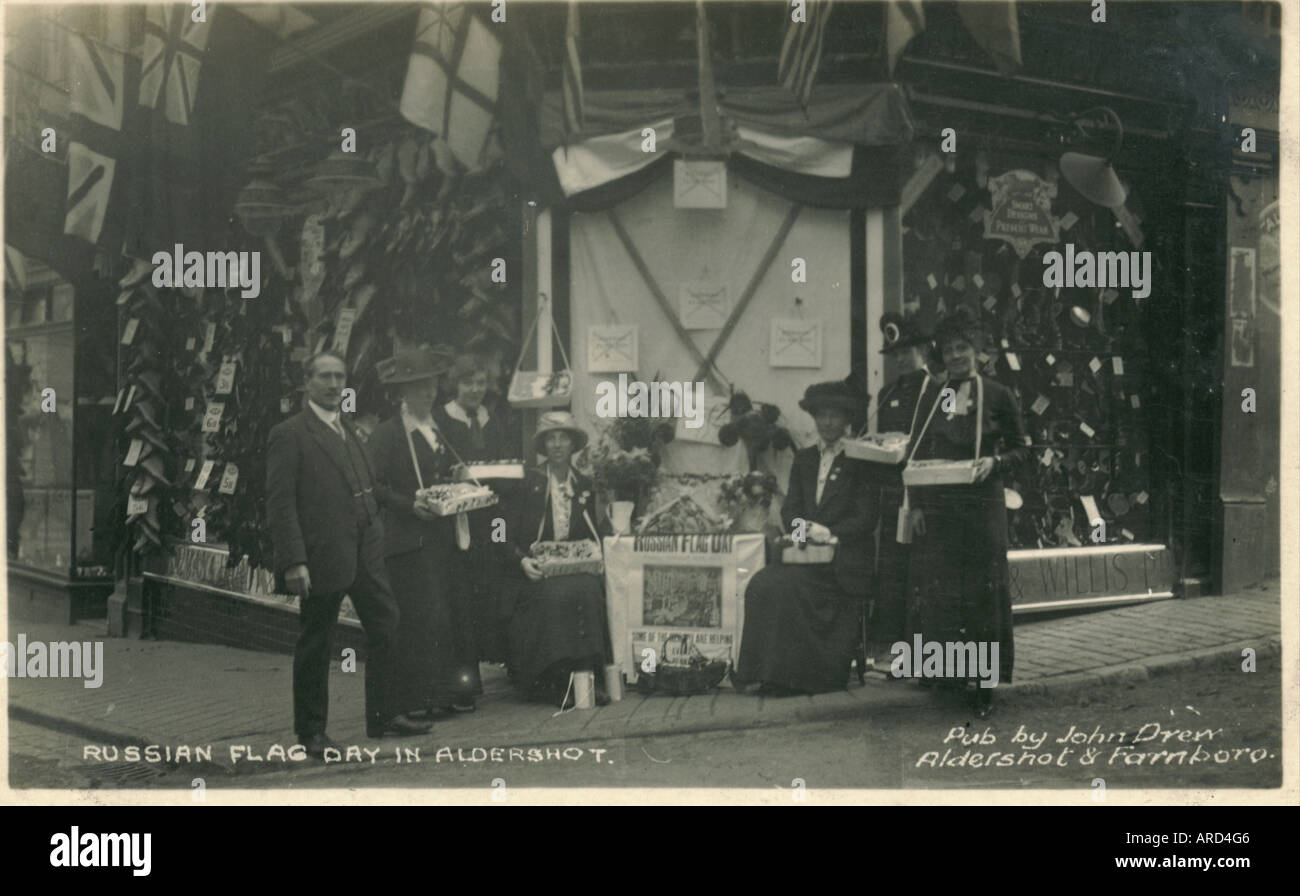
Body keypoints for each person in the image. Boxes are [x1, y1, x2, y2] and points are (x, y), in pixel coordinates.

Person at [265, 350, 431, 758]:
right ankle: (311, 733)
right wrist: (294, 560)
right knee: (316, 642)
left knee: (387, 623)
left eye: (339, 376)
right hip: (322, 555)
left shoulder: (350, 430)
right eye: (324, 376)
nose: (333, 384)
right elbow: (280, 503)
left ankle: (384, 716)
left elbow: (368, 484)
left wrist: (375, 526)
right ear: (307, 381)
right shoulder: (291, 434)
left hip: (365, 551)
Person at [901, 306, 1028, 716]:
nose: (956, 356)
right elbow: (918, 450)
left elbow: (1021, 449)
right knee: (944, 593)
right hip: (940, 511)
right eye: (949, 350)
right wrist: (917, 506)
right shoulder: (934, 396)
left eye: (963, 348)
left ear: (976, 350)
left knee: (982, 594)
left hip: (982, 506)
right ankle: (951, 678)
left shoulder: (998, 394)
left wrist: (997, 463)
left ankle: (984, 685)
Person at [733, 380, 875, 695]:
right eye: (820, 415)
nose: (826, 422)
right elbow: (792, 510)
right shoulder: (806, 458)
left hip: (845, 557)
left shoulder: (861, 459)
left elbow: (866, 517)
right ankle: (762, 672)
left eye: (834, 416)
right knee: (762, 583)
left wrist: (831, 534)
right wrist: (804, 532)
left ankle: (798, 677)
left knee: (789, 587)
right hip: (808, 555)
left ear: (847, 419)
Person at [366, 345, 483, 719]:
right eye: (418, 388)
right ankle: (420, 699)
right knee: (422, 617)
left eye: (431, 386)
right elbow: (374, 486)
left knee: (449, 612)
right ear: (402, 393)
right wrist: (408, 504)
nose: (428, 394)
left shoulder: (440, 429)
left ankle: (450, 693)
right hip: (409, 540)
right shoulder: (386, 435)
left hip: (443, 536)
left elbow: (446, 470)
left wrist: (459, 479)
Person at [500, 411, 612, 707]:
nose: (558, 444)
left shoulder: (584, 484)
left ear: (573, 444)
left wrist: (601, 549)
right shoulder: (527, 483)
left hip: (575, 566)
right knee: (554, 595)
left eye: (564, 438)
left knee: (588, 589)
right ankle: (553, 681)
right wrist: (521, 561)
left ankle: (586, 677)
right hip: (537, 571)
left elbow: (599, 531)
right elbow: (498, 533)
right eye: (552, 438)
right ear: (543, 445)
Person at [867, 313, 944, 668]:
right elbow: (881, 440)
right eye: (894, 352)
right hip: (892, 492)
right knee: (893, 571)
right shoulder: (888, 393)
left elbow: (944, 442)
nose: (900, 358)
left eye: (906, 350)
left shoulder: (940, 389)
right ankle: (892, 647)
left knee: (923, 571)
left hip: (924, 497)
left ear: (923, 349)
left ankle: (921, 648)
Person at [433, 351, 514, 664]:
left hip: (490, 518)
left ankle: (484, 658)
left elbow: (506, 465)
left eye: (481, 382)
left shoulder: (492, 419)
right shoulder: (440, 420)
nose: (475, 389)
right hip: (457, 521)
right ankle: (462, 666)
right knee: (460, 591)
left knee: (487, 586)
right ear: (455, 383)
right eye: (468, 382)